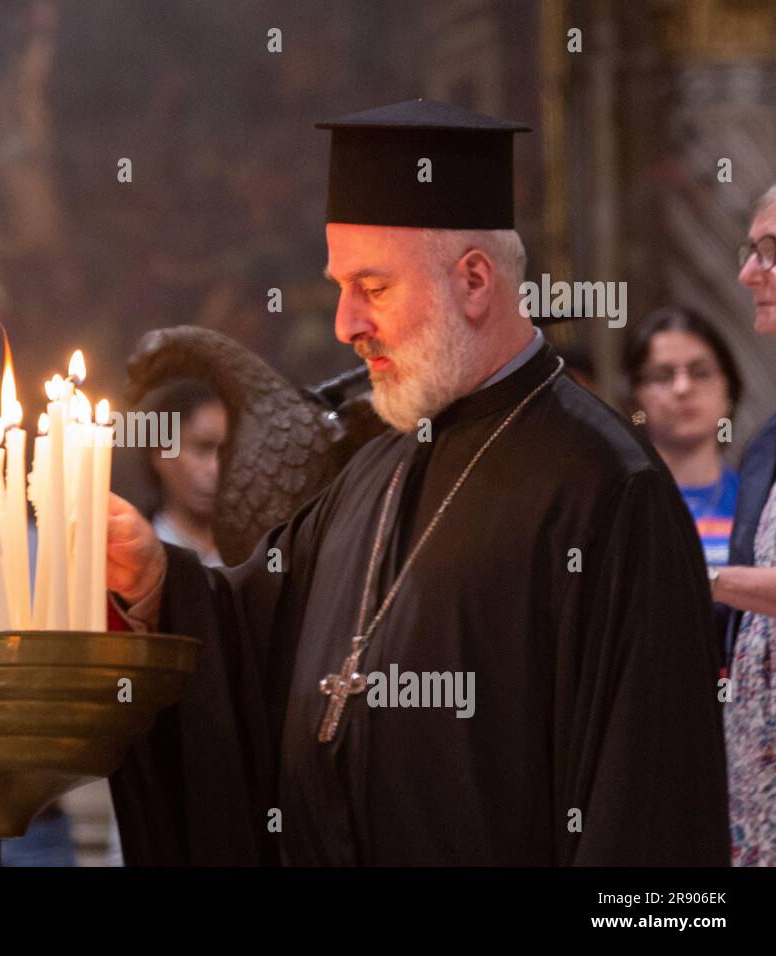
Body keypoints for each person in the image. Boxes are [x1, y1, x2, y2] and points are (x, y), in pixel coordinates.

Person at [103, 99, 729, 866]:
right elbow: (249, 644)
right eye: (339, 286)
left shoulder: (607, 492)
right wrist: (155, 581)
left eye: (373, 286)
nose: (345, 323)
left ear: (473, 281)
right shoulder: (377, 466)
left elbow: (652, 810)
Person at [713, 183, 776, 866]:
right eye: (752, 251)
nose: (748, 273)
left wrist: (700, 576)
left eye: (771, 253)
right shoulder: (767, 445)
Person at [623, 308, 743, 567]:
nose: (683, 388)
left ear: (730, 391)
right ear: (635, 403)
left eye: (700, 373)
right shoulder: (618, 503)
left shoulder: (761, 501)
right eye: (662, 376)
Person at [141, 379, 228, 567]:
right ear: (162, 452)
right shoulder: (134, 554)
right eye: (202, 449)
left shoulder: (260, 557)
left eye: (227, 451)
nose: (215, 468)